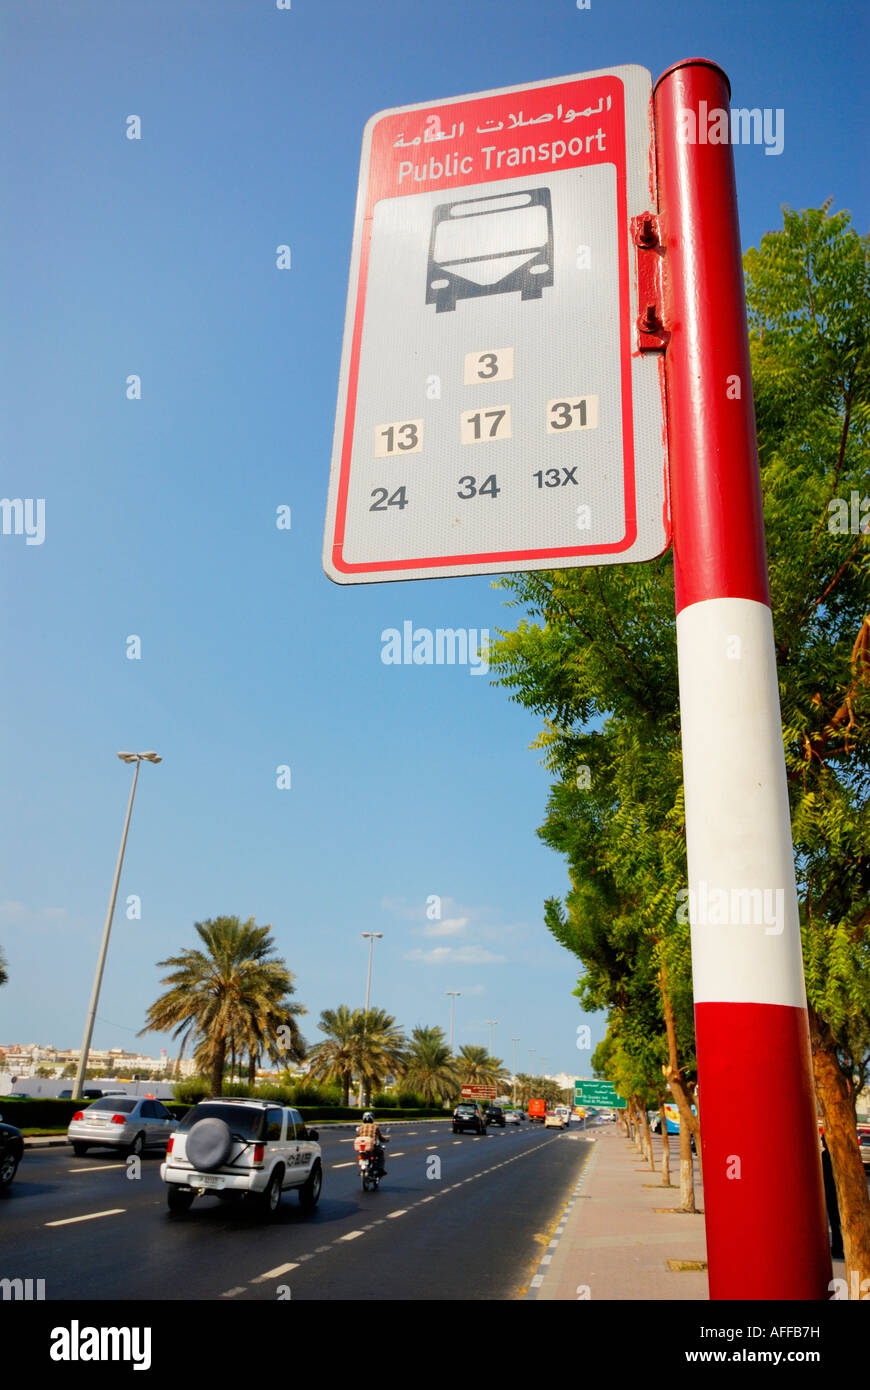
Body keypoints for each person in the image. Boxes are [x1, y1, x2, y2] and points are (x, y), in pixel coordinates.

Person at [357, 1111, 388, 1176]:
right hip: (372, 1147)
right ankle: (380, 1169)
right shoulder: (375, 1127)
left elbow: (358, 1136)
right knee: (381, 1153)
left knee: (362, 1155)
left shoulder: (360, 1127)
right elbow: (380, 1137)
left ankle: (362, 1169)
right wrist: (386, 1140)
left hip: (362, 1147)